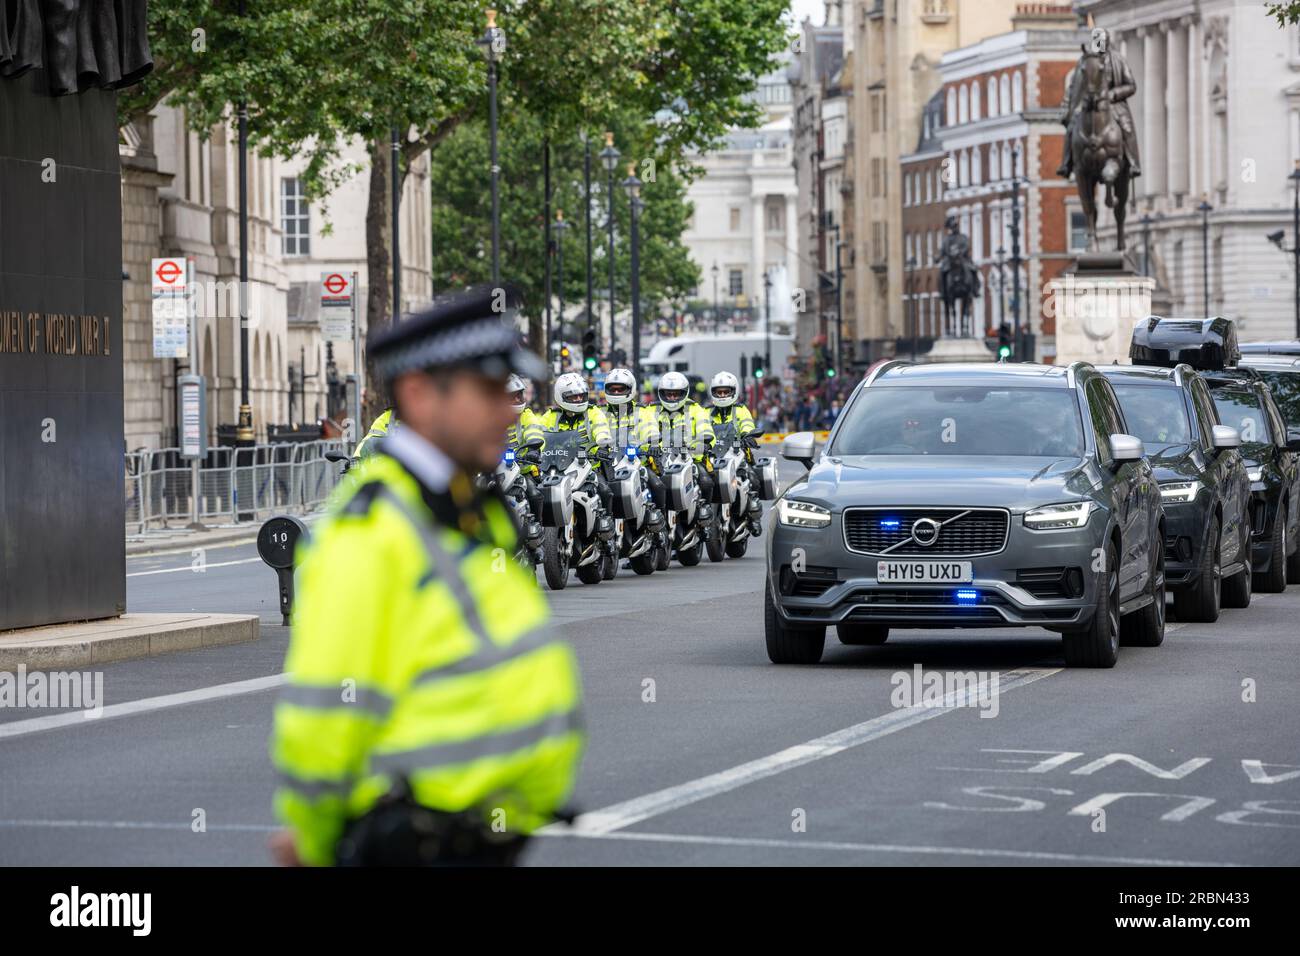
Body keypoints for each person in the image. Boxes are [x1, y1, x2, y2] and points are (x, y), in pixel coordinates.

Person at [269, 284, 583, 867]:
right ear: (417, 393)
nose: (505, 408)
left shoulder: (464, 503)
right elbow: (324, 713)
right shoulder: (371, 531)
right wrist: (314, 841)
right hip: (415, 847)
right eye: (486, 388)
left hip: (485, 838)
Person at [1057, 26, 1141, 180]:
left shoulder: (1117, 59)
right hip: (1087, 103)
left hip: (1113, 104)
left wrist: (1113, 94)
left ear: (1107, 42)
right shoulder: (1085, 61)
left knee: (1126, 127)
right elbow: (1073, 87)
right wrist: (1066, 107)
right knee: (1071, 128)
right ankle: (1066, 163)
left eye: (1101, 41)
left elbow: (1131, 85)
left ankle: (1133, 163)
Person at [535, 371, 616, 524]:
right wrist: (535, 450)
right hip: (559, 468)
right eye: (573, 396)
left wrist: (603, 444)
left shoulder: (593, 413)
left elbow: (601, 428)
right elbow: (539, 435)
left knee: (605, 491)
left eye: (581, 395)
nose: (579, 399)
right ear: (561, 397)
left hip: (589, 467)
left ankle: (607, 528)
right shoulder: (550, 416)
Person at [646, 370, 715, 522]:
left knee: (706, 481)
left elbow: (706, 430)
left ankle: (705, 516)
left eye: (676, 394)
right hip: (660, 459)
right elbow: (642, 431)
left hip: (690, 458)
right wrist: (648, 446)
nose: (672, 398)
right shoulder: (650, 410)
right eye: (668, 394)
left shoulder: (696, 409)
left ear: (684, 393)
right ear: (661, 393)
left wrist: (702, 444)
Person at [707, 371, 762, 536]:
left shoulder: (740, 410)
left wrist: (748, 436)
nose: (722, 395)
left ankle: (754, 518)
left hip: (737, 452)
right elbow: (700, 429)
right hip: (714, 454)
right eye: (719, 392)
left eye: (726, 392)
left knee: (752, 477)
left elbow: (747, 424)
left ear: (734, 392)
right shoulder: (706, 412)